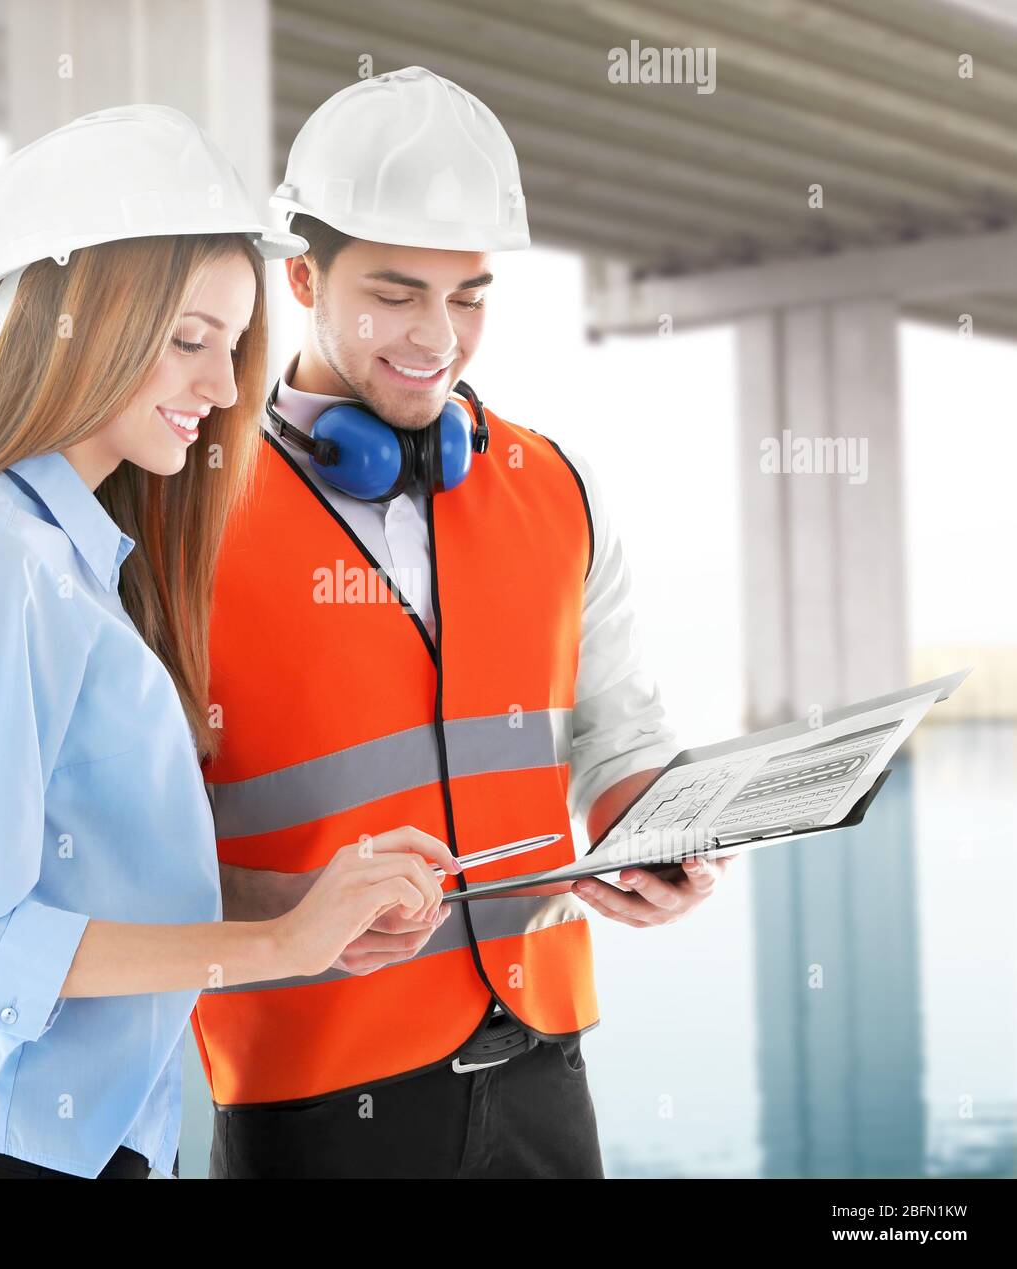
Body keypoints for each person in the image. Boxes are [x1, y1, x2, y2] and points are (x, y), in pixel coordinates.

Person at [0, 104, 455, 1181]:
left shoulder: (87, 570)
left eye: (230, 349)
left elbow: (94, 890)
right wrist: (271, 946)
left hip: (105, 1147)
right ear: (78, 325)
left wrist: (308, 908)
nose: (223, 391)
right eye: (188, 343)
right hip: (0, 1157)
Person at [192, 67, 732, 1179]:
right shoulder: (183, 509)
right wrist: (295, 908)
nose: (437, 337)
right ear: (301, 275)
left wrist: (651, 828)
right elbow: (115, 845)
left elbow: (614, 727)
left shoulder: (556, 488)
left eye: (470, 295)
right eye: (394, 294)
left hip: (543, 1056)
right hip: (312, 1083)